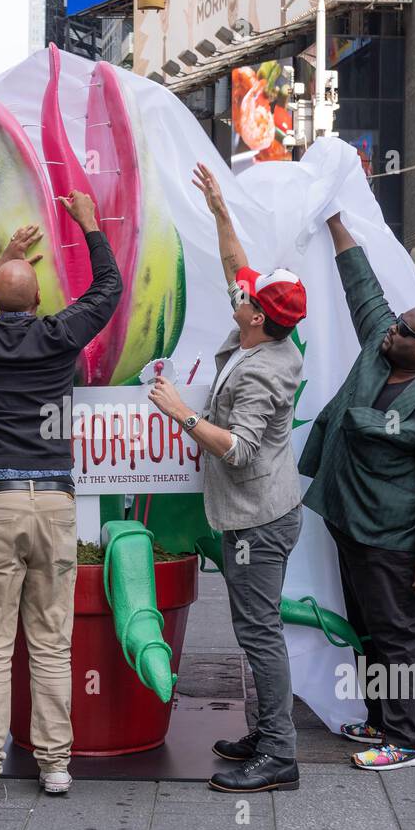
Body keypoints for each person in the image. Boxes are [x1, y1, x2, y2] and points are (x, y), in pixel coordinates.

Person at [0, 192, 121, 801]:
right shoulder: (59, 335)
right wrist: (89, 224)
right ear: (39, 302)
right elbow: (108, 288)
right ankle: (56, 766)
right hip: (56, 504)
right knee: (51, 640)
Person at [299, 212, 415, 772]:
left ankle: (409, 740)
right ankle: (380, 718)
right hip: (352, 525)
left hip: (398, 541)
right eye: (397, 323)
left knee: (398, 639)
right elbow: (363, 288)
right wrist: (334, 219)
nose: (390, 330)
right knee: (371, 630)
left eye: (403, 330)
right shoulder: (383, 352)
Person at [148, 163, 305, 793]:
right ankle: (265, 732)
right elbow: (236, 265)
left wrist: (181, 413)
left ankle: (280, 755)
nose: (237, 292)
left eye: (246, 296)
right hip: (258, 512)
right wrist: (218, 209)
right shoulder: (264, 328)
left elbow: (237, 450)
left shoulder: (266, 369)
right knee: (254, 629)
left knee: (259, 633)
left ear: (258, 320)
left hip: (256, 520)